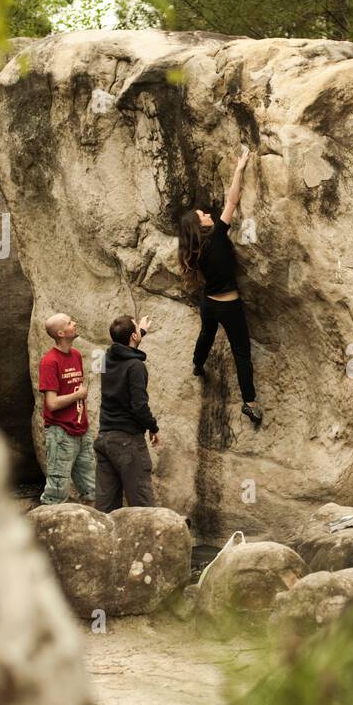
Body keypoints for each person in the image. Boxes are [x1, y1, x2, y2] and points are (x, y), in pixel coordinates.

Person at [177, 147, 263, 428]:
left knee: (206, 333)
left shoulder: (193, 250)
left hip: (210, 303)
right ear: (200, 226)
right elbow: (233, 200)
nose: (207, 214)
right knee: (241, 353)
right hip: (229, 305)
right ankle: (249, 403)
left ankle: (197, 364)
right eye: (202, 214)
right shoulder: (216, 236)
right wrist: (239, 169)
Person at [94, 314, 159, 511]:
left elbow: (123, 349)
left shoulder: (106, 358)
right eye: (137, 330)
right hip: (127, 441)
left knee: (106, 508)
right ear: (133, 335)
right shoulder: (136, 366)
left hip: (105, 439)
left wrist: (140, 332)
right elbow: (139, 406)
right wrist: (153, 427)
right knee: (142, 507)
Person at [37, 312, 95, 506]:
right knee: (57, 491)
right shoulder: (49, 361)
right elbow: (51, 403)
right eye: (70, 322)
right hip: (60, 433)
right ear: (61, 333)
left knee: (92, 489)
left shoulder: (76, 355)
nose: (75, 323)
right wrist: (78, 395)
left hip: (81, 429)